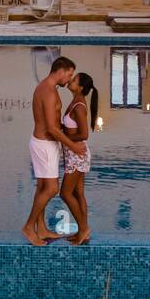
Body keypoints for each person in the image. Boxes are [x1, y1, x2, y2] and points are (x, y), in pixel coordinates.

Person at [24, 55, 86, 245]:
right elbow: (51, 128)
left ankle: (41, 229)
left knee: (42, 187)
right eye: (69, 74)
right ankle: (29, 226)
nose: (68, 79)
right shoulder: (49, 92)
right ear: (60, 71)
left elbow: (52, 124)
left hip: (40, 142)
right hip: (45, 144)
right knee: (51, 189)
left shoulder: (44, 87)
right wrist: (73, 145)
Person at [59, 71, 96, 245]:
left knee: (65, 193)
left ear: (80, 87)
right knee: (78, 193)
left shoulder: (79, 106)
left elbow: (84, 134)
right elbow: (70, 128)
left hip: (77, 154)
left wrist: (62, 137)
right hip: (75, 154)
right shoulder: (75, 102)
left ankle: (83, 228)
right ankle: (84, 232)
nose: (70, 81)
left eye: (74, 80)